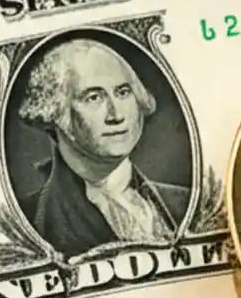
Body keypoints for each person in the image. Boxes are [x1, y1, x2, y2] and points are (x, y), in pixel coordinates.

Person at [16, 37, 189, 257]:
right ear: (53, 112)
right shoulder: (28, 223)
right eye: (94, 97)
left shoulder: (182, 201)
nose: (116, 115)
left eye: (123, 92)